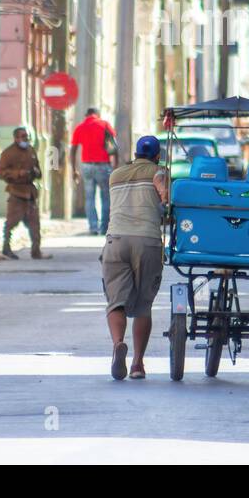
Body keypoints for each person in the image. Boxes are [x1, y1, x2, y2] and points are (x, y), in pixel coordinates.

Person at [101, 135, 170, 380]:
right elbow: (162, 190)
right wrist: (165, 197)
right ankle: (138, 364)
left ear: (136, 153)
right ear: (157, 156)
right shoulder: (159, 170)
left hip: (116, 240)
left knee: (115, 302)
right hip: (147, 241)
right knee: (143, 306)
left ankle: (118, 343)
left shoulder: (115, 175)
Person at [0, 127, 50, 260]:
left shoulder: (30, 150)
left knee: (35, 224)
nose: (26, 139)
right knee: (11, 223)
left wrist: (36, 172)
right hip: (16, 192)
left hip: (30, 193)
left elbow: (37, 168)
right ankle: (6, 248)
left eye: (27, 137)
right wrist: (17, 173)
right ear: (16, 138)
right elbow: (1, 172)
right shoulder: (8, 153)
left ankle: (36, 251)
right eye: (23, 136)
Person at [71, 107, 116, 236]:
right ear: (97, 114)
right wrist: (115, 166)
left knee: (89, 198)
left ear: (87, 115)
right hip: (103, 166)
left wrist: (74, 169)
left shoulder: (80, 127)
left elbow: (73, 149)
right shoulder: (104, 125)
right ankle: (104, 228)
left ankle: (93, 227)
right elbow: (113, 146)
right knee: (106, 197)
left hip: (86, 167)